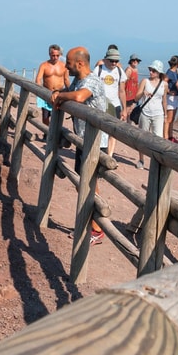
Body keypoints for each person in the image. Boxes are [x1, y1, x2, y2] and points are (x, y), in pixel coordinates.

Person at [51, 46, 109, 244]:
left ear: (80, 63)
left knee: (90, 184)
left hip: (94, 143)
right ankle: (90, 225)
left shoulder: (92, 81)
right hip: (83, 139)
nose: (66, 67)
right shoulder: (78, 80)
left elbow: (78, 97)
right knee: (83, 183)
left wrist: (60, 96)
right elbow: (69, 92)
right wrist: (58, 93)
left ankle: (97, 228)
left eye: (68, 63)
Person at [134, 60, 169, 170]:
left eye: (153, 70)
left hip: (158, 114)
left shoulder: (164, 84)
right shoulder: (145, 81)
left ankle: (157, 162)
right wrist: (142, 93)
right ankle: (141, 159)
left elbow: (164, 100)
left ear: (159, 72)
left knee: (158, 139)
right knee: (142, 138)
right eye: (150, 70)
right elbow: (136, 98)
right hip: (145, 113)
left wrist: (166, 115)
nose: (151, 72)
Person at [94, 46, 127, 158]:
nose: (114, 63)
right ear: (106, 59)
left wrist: (124, 109)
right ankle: (98, 152)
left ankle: (109, 155)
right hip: (100, 104)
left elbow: (122, 91)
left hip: (115, 104)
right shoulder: (99, 69)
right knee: (99, 129)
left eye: (116, 61)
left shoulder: (119, 71)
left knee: (113, 131)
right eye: (112, 61)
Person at [34, 44, 68, 127]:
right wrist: (40, 91)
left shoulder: (64, 66)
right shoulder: (44, 65)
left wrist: (70, 90)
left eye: (57, 55)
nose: (55, 57)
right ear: (49, 54)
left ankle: (53, 134)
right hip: (47, 93)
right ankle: (48, 132)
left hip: (59, 94)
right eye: (53, 55)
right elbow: (38, 79)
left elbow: (66, 80)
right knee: (45, 117)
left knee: (57, 116)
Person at [163, 55, 178, 143]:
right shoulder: (170, 73)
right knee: (168, 119)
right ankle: (166, 137)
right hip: (171, 98)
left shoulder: (173, 71)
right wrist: (168, 91)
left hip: (175, 98)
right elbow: (164, 82)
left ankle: (170, 136)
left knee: (172, 119)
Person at [123, 54, 142, 124]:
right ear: (131, 61)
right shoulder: (129, 70)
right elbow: (124, 81)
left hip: (134, 93)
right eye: (134, 60)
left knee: (131, 111)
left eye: (137, 60)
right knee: (127, 111)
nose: (135, 62)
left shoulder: (136, 70)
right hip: (128, 94)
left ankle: (128, 124)